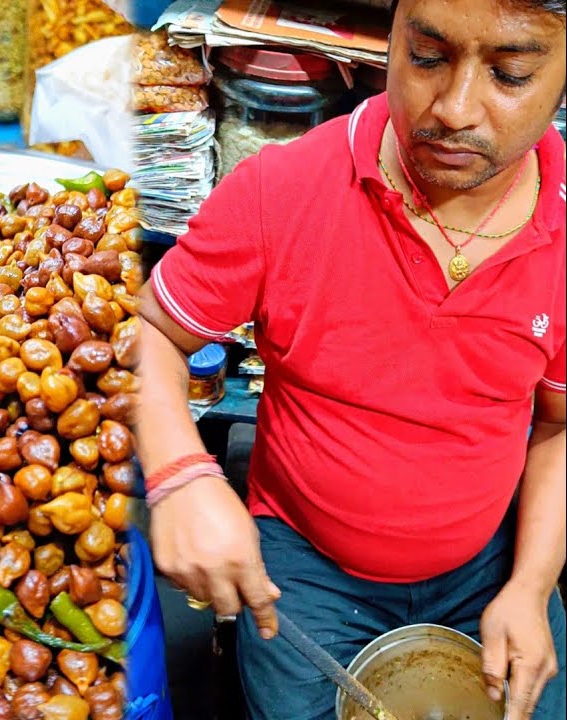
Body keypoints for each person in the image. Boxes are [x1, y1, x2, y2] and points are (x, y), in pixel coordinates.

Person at [134, 0, 566, 718]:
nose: (455, 109)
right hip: (302, 567)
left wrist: (531, 584)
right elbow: (148, 334)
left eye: (510, 73)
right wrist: (179, 474)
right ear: (387, 39)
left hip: (491, 561)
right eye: (427, 57)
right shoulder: (283, 191)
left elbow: (557, 426)